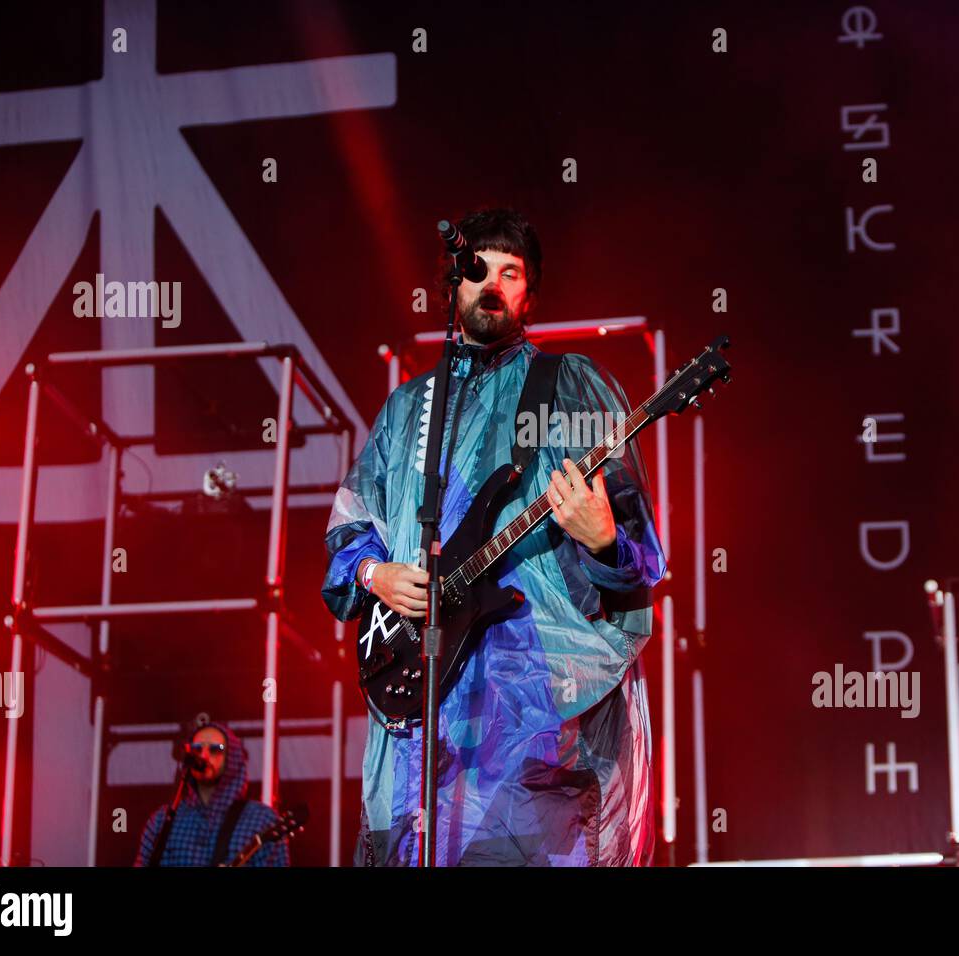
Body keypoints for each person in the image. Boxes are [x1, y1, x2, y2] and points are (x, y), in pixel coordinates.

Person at [322, 207, 665, 866]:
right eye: (481, 269)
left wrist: (602, 541)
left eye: (512, 274)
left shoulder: (568, 387)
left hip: (533, 715)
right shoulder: (406, 409)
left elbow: (639, 557)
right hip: (418, 709)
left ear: (528, 297)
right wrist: (376, 575)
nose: (495, 285)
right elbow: (348, 530)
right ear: (454, 286)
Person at [134, 720, 289, 866]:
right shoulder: (162, 821)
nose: (204, 755)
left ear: (232, 758)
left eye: (215, 749)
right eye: (197, 749)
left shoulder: (262, 820)